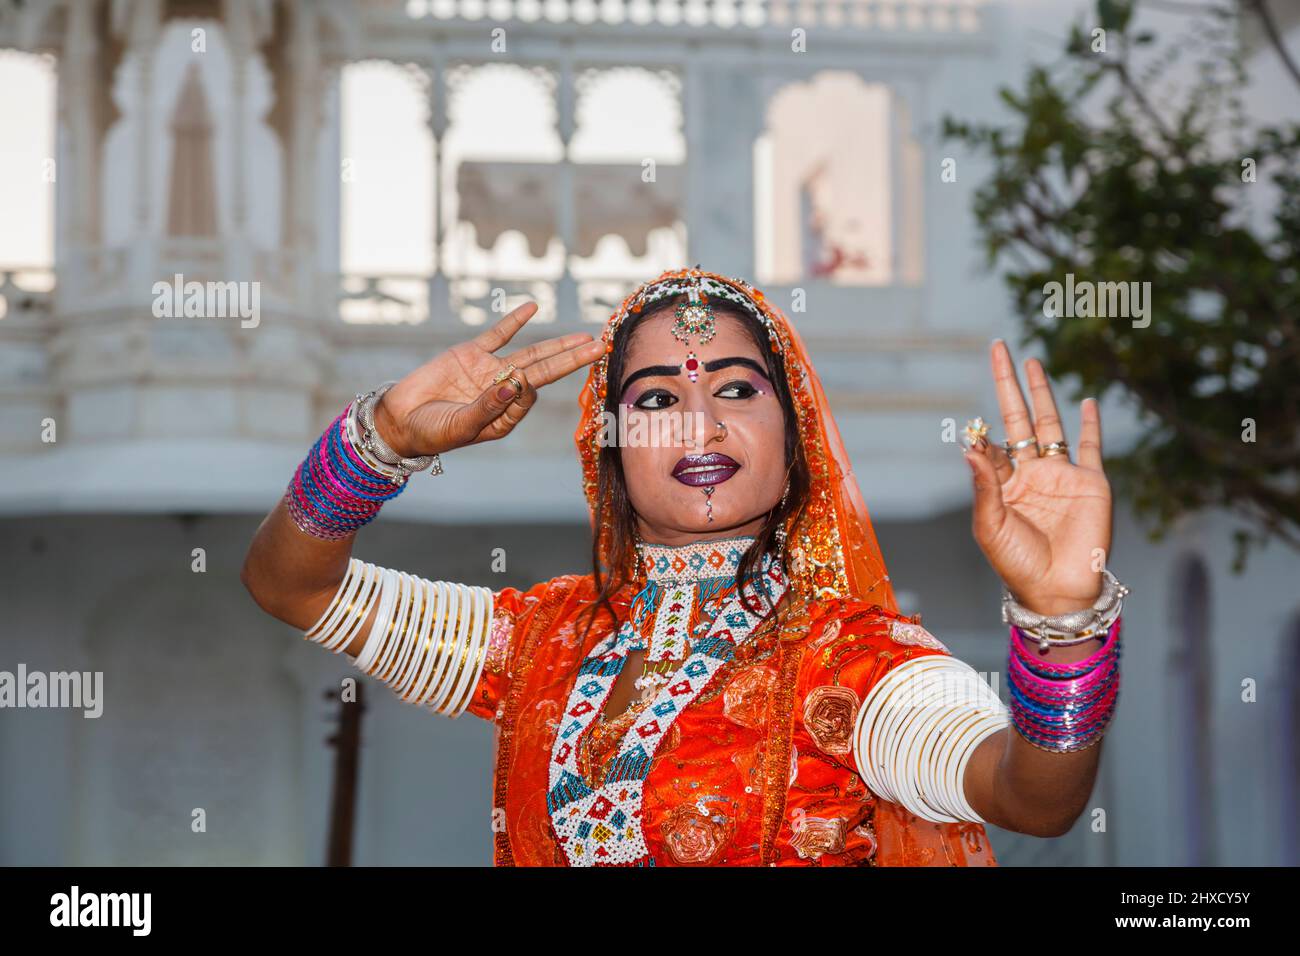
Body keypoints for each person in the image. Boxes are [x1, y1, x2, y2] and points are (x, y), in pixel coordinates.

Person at [242, 266, 1123, 866]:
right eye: (657, 398)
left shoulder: (856, 664)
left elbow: (1027, 795)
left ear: (796, 437)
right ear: (612, 450)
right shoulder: (538, 639)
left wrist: (1062, 627)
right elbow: (291, 585)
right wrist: (382, 443)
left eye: (737, 390)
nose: (700, 426)